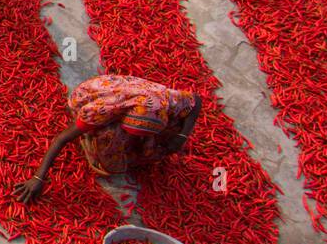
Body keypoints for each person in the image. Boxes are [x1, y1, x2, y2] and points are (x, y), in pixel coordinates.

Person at [13, 74, 202, 203]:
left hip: (137, 100)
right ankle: (93, 138)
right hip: (93, 96)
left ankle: (145, 133)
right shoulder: (99, 112)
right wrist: (38, 177)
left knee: (175, 126)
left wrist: (182, 136)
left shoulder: (165, 100)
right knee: (109, 161)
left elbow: (196, 101)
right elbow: (62, 139)